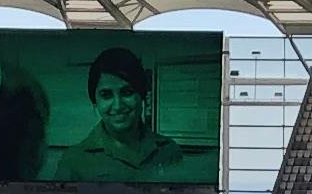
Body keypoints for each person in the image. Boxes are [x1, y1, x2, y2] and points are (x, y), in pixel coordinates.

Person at [41, 43, 208, 183]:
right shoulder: (74, 160)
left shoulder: (169, 151)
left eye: (127, 92)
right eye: (106, 95)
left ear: (142, 95)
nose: (118, 105)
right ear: (95, 103)